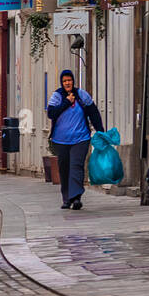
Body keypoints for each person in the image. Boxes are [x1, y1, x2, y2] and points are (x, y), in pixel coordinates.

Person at [46, 69, 106, 210]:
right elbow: (51, 113)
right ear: (62, 82)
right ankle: (67, 199)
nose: (68, 83)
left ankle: (76, 197)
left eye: (70, 80)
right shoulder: (57, 96)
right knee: (64, 168)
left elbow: (94, 113)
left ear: (73, 81)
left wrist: (101, 132)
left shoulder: (81, 95)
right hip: (61, 140)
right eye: (65, 81)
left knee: (76, 167)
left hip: (81, 138)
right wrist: (66, 102)